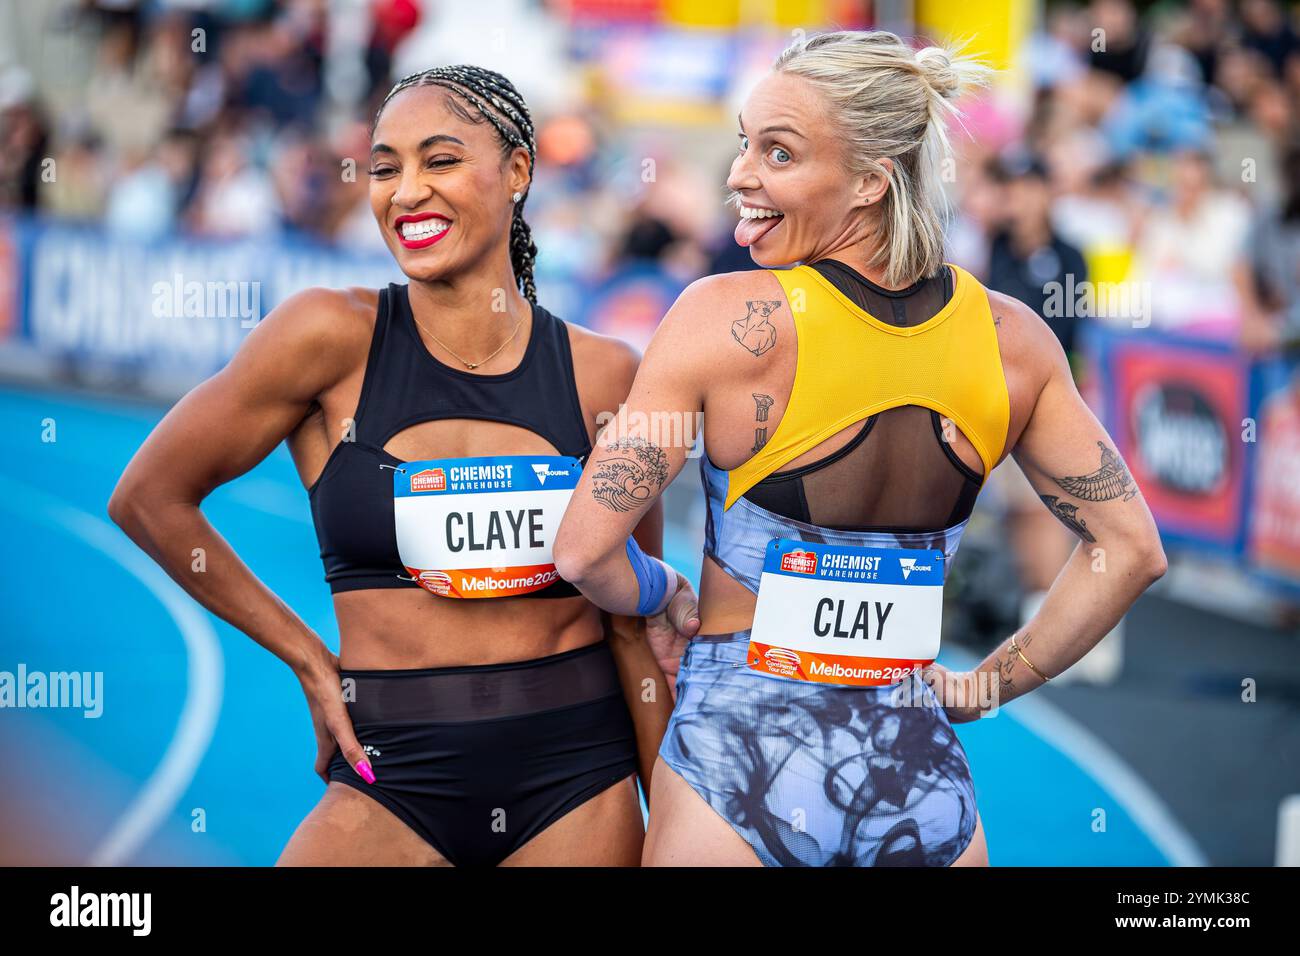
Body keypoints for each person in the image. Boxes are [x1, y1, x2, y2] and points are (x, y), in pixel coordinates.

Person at [553, 30, 1167, 867]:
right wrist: (987, 687)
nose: (739, 175)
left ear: (872, 181)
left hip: (737, 762)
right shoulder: (1009, 340)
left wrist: (662, 591)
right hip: (919, 785)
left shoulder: (724, 319)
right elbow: (1130, 549)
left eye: (778, 152)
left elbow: (585, 549)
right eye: (744, 144)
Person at [109, 65, 695, 867]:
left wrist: (670, 827)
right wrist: (309, 659)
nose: (407, 191)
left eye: (442, 160)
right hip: (388, 773)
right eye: (386, 168)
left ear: (518, 171)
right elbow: (149, 498)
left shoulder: (604, 375)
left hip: (576, 784)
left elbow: (632, 623)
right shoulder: (324, 338)